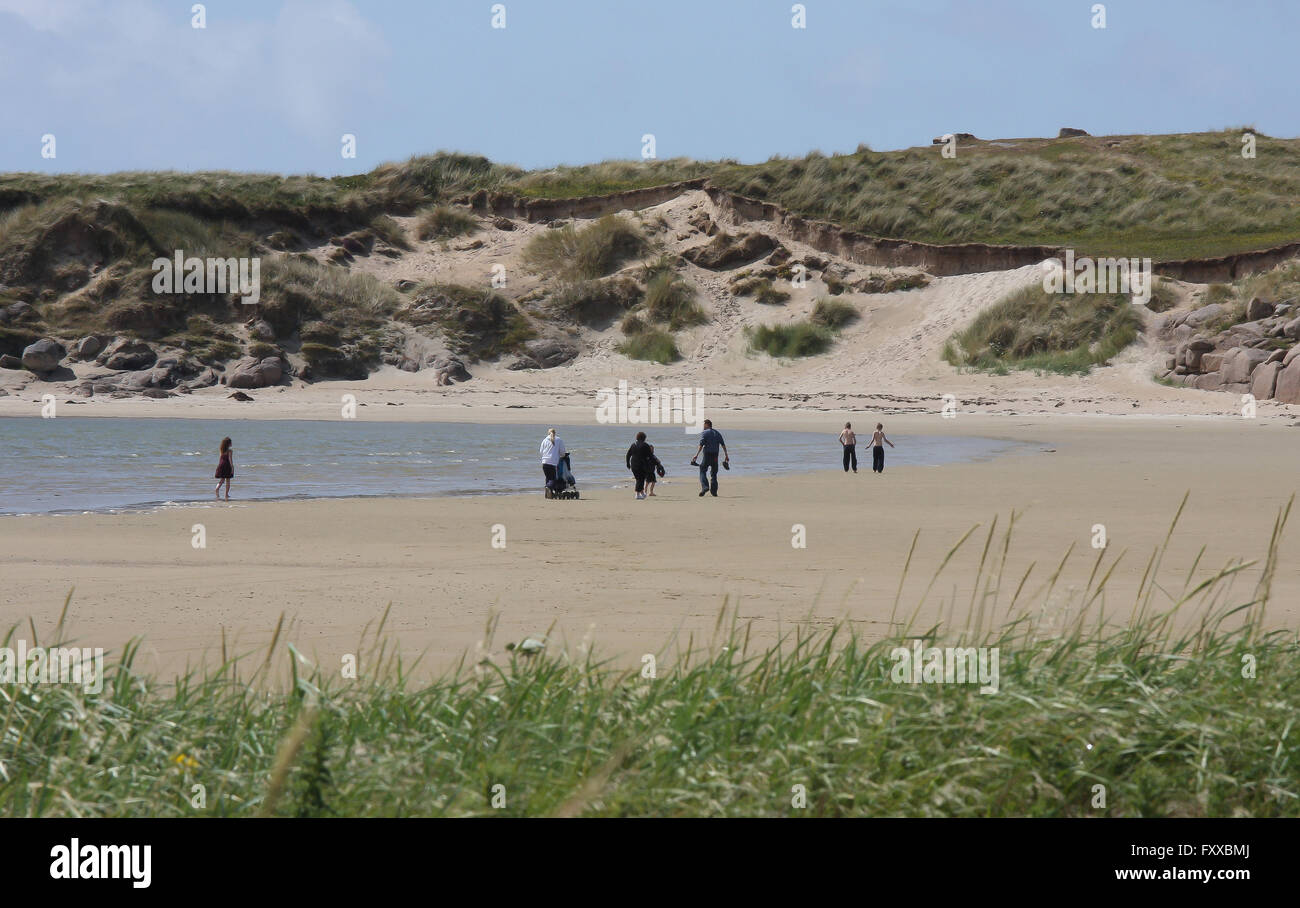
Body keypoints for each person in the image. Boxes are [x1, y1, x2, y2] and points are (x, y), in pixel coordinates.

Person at [691, 419, 729, 497]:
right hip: (715, 456)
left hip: (707, 455)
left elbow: (701, 444)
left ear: (707, 424)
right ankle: (714, 492)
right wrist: (726, 455)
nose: (703, 426)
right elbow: (723, 445)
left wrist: (696, 455)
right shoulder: (717, 433)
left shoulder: (705, 433)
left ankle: (705, 487)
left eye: (703, 425)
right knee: (714, 473)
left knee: (702, 470)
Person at [626, 431, 655, 500]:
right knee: (640, 479)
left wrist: (628, 463)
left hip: (633, 464)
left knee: (639, 479)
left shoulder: (633, 445)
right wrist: (656, 463)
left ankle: (641, 492)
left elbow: (628, 455)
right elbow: (651, 456)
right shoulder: (645, 445)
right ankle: (637, 494)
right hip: (642, 465)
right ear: (644, 438)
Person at [539, 428, 567, 497]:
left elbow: (541, 452)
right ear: (555, 433)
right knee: (553, 479)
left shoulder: (544, 440)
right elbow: (562, 452)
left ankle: (548, 494)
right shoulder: (559, 440)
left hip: (544, 462)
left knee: (548, 478)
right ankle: (548, 488)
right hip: (553, 463)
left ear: (548, 433)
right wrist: (562, 455)